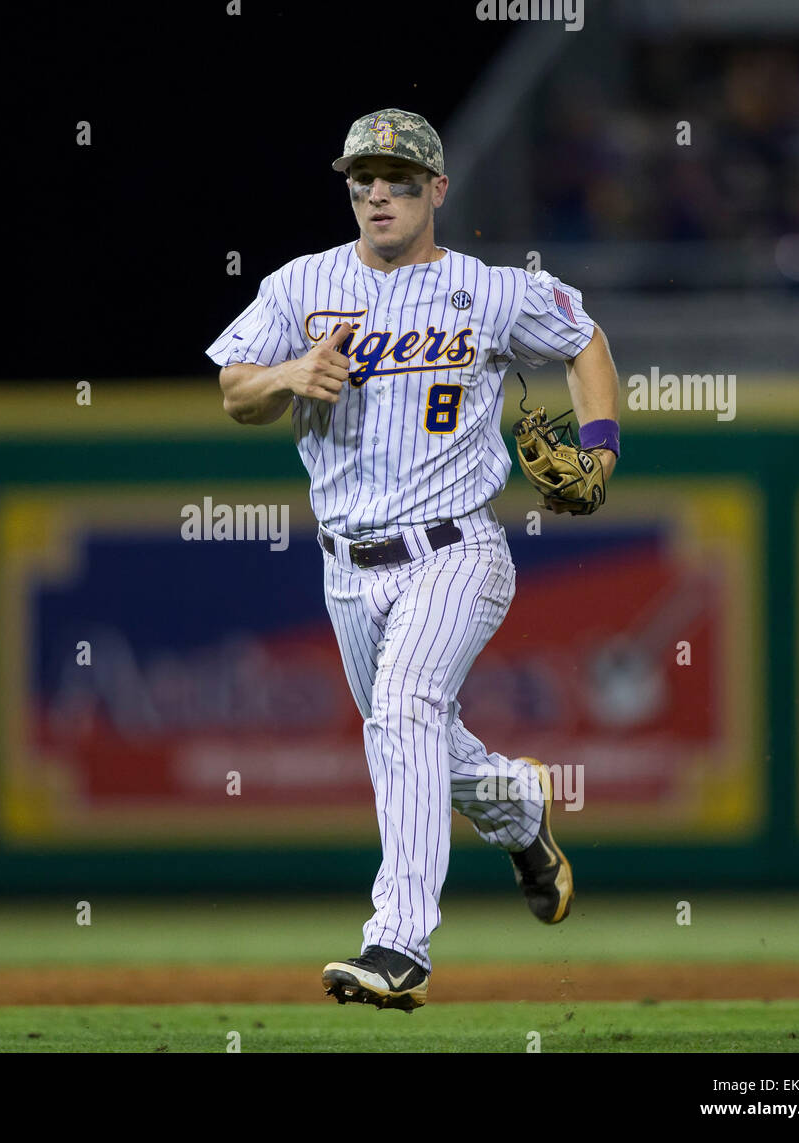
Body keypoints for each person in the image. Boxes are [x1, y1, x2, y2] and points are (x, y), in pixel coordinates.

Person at [204, 109, 621, 1012]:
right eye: (363, 177)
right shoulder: (298, 286)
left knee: (403, 708)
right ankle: (514, 808)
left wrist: (602, 449)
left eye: (397, 177)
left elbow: (584, 338)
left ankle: (398, 944)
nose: (378, 192)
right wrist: (287, 377)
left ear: (437, 189)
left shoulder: (492, 290)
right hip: (347, 566)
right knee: (417, 736)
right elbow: (235, 388)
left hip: (457, 546)